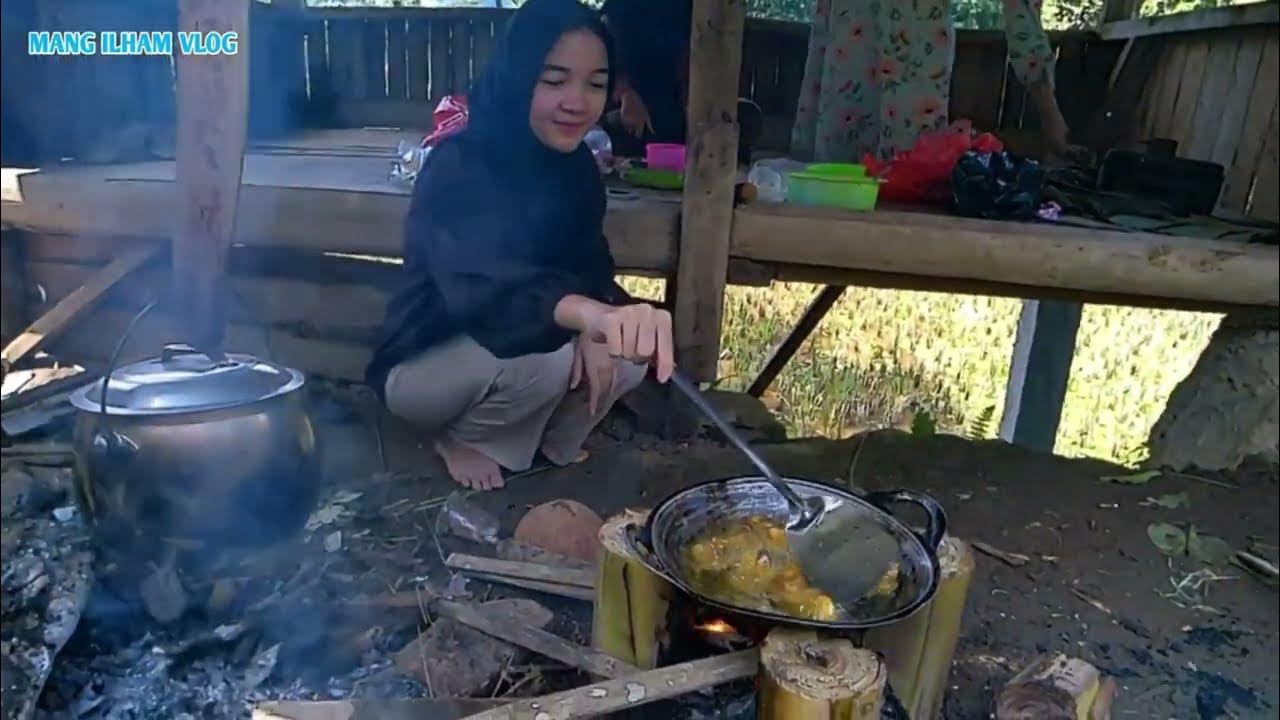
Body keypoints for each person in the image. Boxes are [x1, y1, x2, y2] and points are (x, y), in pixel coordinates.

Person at [365, 0, 675, 491]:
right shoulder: (461, 165)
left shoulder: (576, 170)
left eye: (595, 84)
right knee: (546, 355)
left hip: (514, 349)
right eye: (554, 81)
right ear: (517, 76)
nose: (577, 101)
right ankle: (455, 440)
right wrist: (586, 318)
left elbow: (588, 266)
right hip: (428, 364)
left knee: (625, 351)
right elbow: (484, 289)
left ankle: (549, 452)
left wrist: (603, 324)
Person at [791, 0, 1071, 164]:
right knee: (835, 195)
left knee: (907, 192)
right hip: (848, 73)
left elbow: (1020, 10)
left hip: (912, 80)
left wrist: (1049, 111)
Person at [599, 0, 763, 164]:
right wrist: (626, 94)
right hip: (637, 102)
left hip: (684, 100)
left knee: (747, 118)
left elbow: (697, 58)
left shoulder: (697, 7)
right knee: (622, 125)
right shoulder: (621, 6)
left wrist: (693, 104)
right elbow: (608, 49)